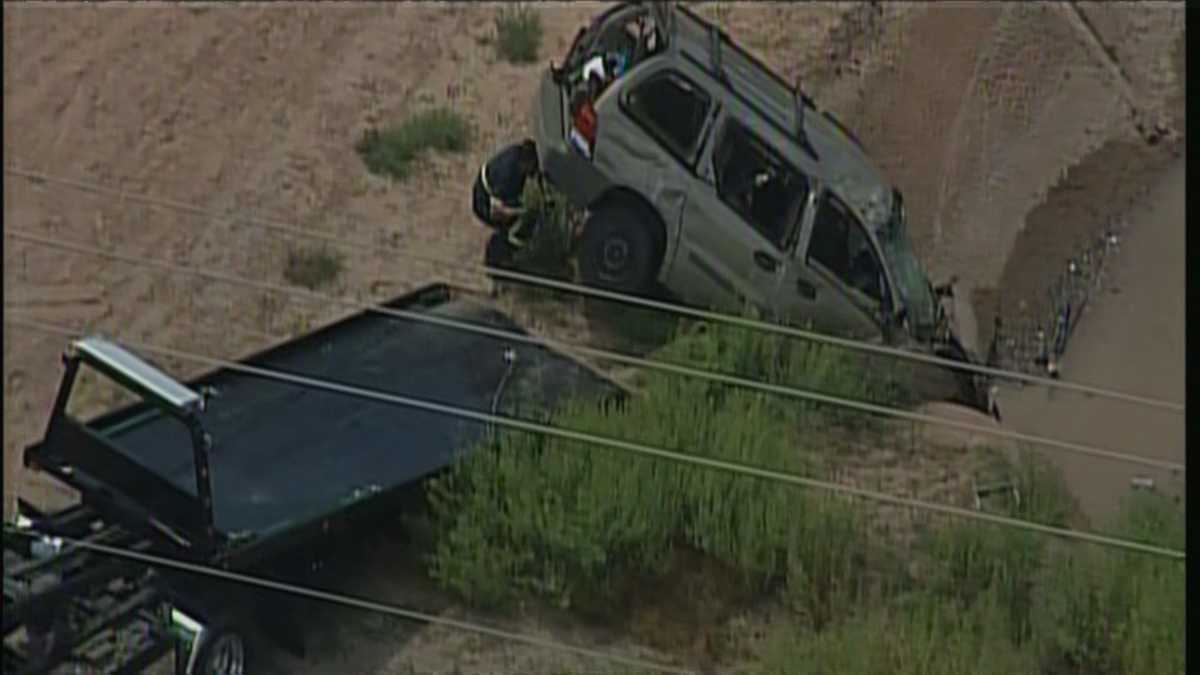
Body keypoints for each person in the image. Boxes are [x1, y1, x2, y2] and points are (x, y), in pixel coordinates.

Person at [472, 139, 540, 269]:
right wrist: (521, 212)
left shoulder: (519, 155)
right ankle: (501, 261)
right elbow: (497, 211)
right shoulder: (506, 175)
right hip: (485, 201)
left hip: (498, 193)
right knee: (512, 226)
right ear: (525, 163)